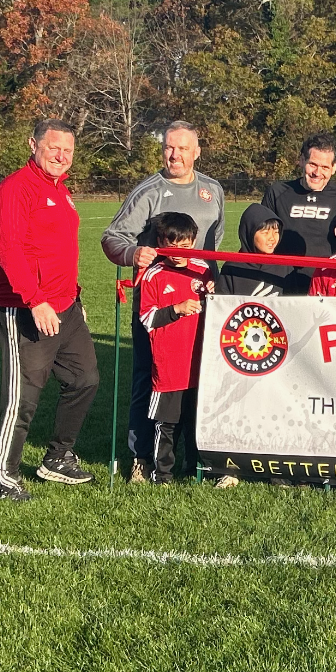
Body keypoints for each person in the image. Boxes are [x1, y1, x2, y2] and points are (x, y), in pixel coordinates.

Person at [101, 120, 225, 484]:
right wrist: (133, 252)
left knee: (196, 376)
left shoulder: (213, 190)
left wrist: (213, 283)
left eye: (183, 148)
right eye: (170, 147)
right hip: (159, 297)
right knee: (149, 376)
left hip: (200, 299)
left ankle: (195, 456)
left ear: (197, 151)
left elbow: (213, 247)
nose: (176, 155)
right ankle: (141, 456)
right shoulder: (148, 192)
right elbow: (113, 237)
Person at [0, 118, 100, 501]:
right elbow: (10, 251)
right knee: (24, 395)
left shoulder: (61, 190)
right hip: (23, 306)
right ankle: (5, 475)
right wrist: (35, 300)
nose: (61, 155)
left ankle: (58, 458)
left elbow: (61, 252)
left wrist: (75, 296)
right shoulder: (16, 188)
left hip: (66, 305)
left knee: (84, 379)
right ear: (32, 144)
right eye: (54, 147)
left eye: (68, 150)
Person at [138, 213, 212, 484]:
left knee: (195, 422)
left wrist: (214, 292)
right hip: (169, 365)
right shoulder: (154, 275)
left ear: (193, 242)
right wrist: (176, 310)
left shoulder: (203, 269)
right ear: (161, 243)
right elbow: (146, 318)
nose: (179, 253)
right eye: (172, 246)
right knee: (167, 424)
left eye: (185, 245)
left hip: (199, 363)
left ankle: (193, 468)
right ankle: (162, 474)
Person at [261, 133, 336, 294]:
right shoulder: (277, 192)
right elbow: (260, 237)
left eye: (325, 167)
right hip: (282, 282)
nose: (317, 172)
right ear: (301, 161)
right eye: (313, 164)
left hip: (328, 282)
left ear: (334, 168)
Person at [215, 204, 291, 298]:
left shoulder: (285, 268)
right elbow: (221, 305)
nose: (272, 238)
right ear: (249, 233)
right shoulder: (232, 269)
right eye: (265, 233)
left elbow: (293, 305)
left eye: (276, 232)